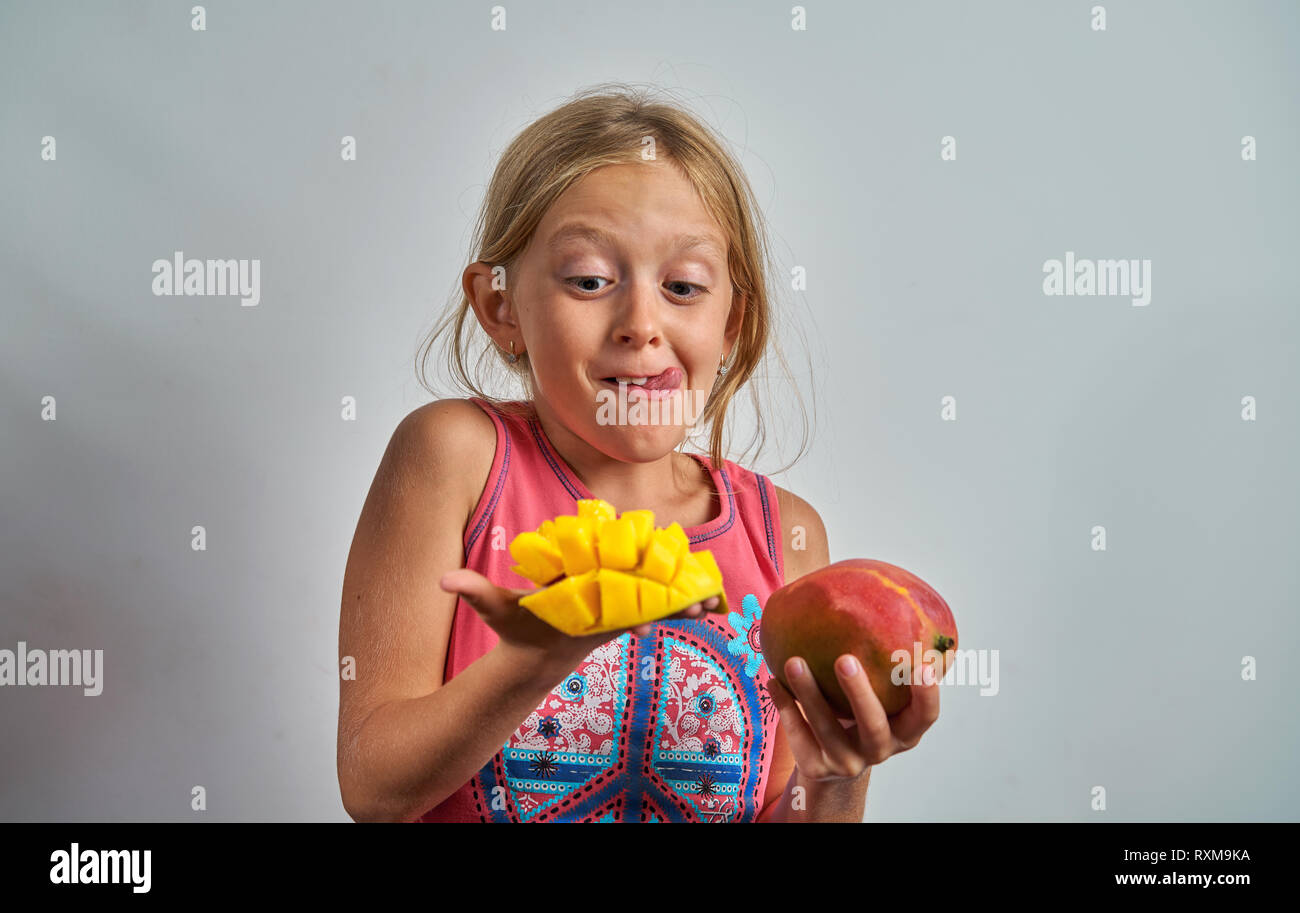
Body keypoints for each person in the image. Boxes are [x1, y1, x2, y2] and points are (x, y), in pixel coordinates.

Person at [336, 84, 940, 823]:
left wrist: (839, 777)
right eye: (590, 279)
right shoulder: (454, 458)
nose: (642, 323)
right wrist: (538, 656)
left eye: (683, 286)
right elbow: (372, 788)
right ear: (499, 306)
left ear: (731, 321)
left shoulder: (788, 536)